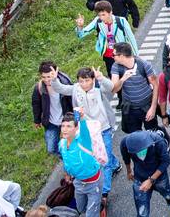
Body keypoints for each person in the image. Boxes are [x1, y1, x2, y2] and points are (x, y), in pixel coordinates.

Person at [52, 67, 119, 198]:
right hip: (86, 130)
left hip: (103, 128)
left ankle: (104, 193)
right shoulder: (76, 89)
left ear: (92, 80)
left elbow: (111, 87)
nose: (84, 84)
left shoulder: (99, 87)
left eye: (87, 80)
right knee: (96, 154)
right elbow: (61, 88)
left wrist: (101, 77)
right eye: (81, 81)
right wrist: (54, 79)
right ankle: (115, 163)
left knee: (105, 162)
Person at [120, 128, 170, 217]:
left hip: (159, 175)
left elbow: (166, 161)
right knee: (142, 211)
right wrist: (129, 171)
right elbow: (126, 158)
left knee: (168, 194)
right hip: (140, 177)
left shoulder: (158, 141)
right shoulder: (125, 143)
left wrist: (151, 180)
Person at [56, 111, 106, 217]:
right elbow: (65, 160)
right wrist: (67, 174)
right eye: (63, 126)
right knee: (81, 208)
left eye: (69, 126)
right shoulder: (62, 144)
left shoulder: (83, 142)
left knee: (90, 214)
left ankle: (98, 207)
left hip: (94, 183)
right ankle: (99, 205)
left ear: (76, 128)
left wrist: (82, 118)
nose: (65, 129)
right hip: (78, 182)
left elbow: (84, 131)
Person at [76, 2, 139, 79]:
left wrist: (136, 57)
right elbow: (81, 35)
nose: (101, 18)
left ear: (110, 13)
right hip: (108, 56)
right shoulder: (98, 21)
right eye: (99, 15)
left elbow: (130, 39)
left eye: (103, 15)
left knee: (128, 77)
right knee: (113, 78)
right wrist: (80, 27)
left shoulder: (121, 21)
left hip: (122, 54)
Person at [110, 42, 161, 134]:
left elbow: (156, 85)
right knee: (135, 137)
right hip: (130, 108)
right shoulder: (116, 66)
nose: (112, 57)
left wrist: (153, 108)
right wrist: (123, 79)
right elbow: (114, 89)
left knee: (153, 133)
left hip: (146, 106)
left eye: (113, 54)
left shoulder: (144, 65)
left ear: (121, 55)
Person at [32, 60, 74, 156]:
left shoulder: (64, 84)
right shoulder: (39, 88)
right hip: (51, 122)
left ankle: (71, 160)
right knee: (51, 149)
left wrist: (75, 117)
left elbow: (73, 101)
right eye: (44, 77)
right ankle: (65, 157)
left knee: (71, 145)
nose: (46, 80)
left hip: (66, 120)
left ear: (55, 73)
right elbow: (36, 104)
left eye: (49, 77)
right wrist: (37, 120)